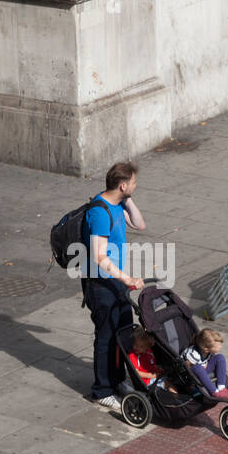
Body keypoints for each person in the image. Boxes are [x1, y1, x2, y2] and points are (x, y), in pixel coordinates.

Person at [83, 161, 146, 409]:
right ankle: (102, 390)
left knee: (123, 334)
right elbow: (99, 257)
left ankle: (118, 380)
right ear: (122, 184)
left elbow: (140, 224)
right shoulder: (99, 213)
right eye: (132, 182)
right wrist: (127, 279)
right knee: (106, 337)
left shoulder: (118, 203)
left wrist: (127, 198)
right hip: (101, 285)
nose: (135, 185)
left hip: (116, 281)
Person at [182, 328, 228, 400]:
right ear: (206, 349)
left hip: (204, 368)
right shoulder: (193, 354)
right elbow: (186, 367)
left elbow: (209, 360)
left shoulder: (208, 351)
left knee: (220, 357)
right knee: (198, 368)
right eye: (218, 346)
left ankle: (221, 388)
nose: (221, 346)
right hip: (193, 373)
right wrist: (201, 367)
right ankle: (215, 392)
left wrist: (206, 365)